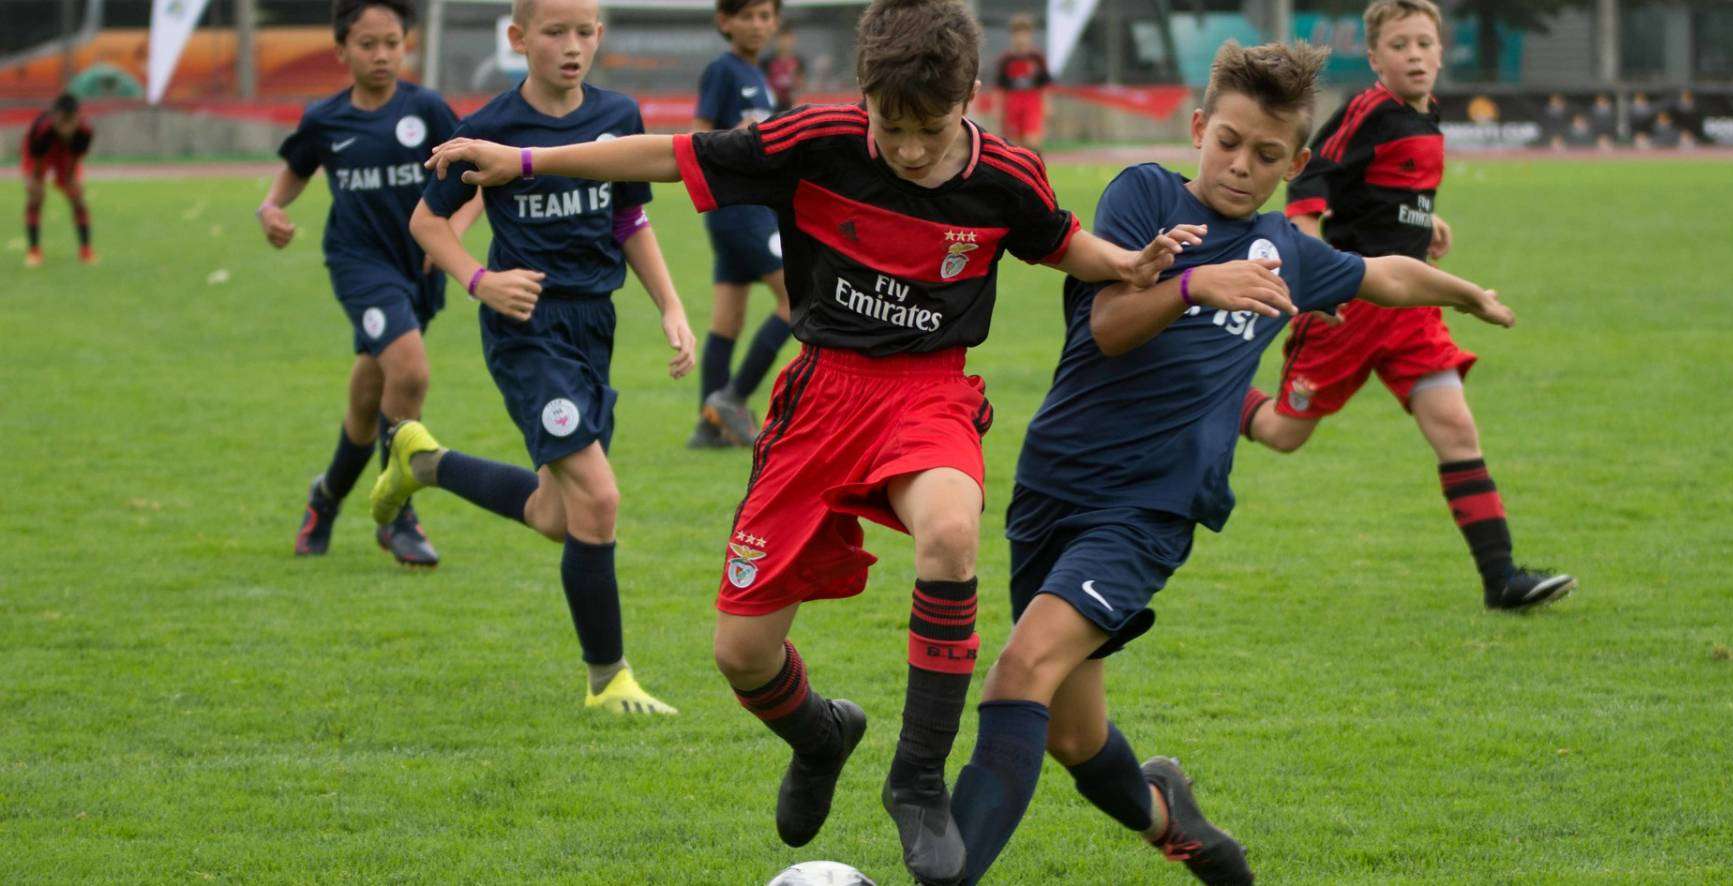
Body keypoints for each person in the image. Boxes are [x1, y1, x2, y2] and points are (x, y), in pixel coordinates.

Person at [422, 0, 1197, 879]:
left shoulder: (1008, 175)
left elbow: (1059, 242)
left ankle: (915, 779)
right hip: (820, 398)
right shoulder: (815, 139)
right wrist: (524, 158)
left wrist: (1129, 265)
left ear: (970, 97)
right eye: (889, 123)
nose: (907, 149)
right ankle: (822, 736)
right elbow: (666, 158)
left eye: (929, 129)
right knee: (741, 655)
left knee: (950, 530)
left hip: (927, 391)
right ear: (862, 92)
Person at [948, 40, 1516, 885]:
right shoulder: (1145, 195)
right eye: (1229, 143)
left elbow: (1380, 275)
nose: (1242, 167)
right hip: (1052, 489)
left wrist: (1461, 290)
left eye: (1267, 155)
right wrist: (1192, 286)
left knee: (1018, 675)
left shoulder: (1288, 252)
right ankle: (1173, 823)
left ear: (1296, 165)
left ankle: (940, 877)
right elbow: (1103, 328)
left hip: (1149, 512)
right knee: (1071, 735)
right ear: (1199, 126)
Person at [380, 0, 699, 715]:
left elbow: (628, 220)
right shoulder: (491, 129)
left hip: (594, 328)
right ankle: (608, 677)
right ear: (519, 38)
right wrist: (480, 281)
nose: (572, 46)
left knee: (559, 515)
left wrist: (671, 306)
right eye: (555, 32)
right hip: (528, 332)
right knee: (601, 498)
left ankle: (421, 462)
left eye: (585, 32)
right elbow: (427, 221)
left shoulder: (618, 112)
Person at [1244, 0, 1576, 611]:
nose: (1415, 55)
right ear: (1375, 58)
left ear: (1442, 51)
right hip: (1353, 303)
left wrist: (1426, 221)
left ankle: (1501, 579)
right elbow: (1310, 185)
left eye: (1424, 43)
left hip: (1414, 305)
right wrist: (1316, 278)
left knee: (1455, 426)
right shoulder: (1367, 112)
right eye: (1400, 46)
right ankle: (1214, 388)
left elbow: (1386, 191)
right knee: (1283, 434)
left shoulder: (1427, 116)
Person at [263, 0, 476, 567]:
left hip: (420, 267)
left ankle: (326, 497)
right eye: (367, 44)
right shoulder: (326, 118)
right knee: (410, 370)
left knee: (368, 401)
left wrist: (449, 235)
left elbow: (472, 180)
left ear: (407, 43)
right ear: (342, 50)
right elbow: (297, 168)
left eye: (392, 42)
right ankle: (398, 514)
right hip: (360, 266)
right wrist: (271, 207)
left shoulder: (427, 108)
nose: (382, 55)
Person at [690, 0, 797, 448]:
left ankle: (708, 428)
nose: (758, 25)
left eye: (765, 16)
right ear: (724, 22)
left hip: (748, 209)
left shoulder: (759, 75)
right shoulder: (724, 70)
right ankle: (733, 399)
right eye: (747, 16)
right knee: (798, 299)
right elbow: (699, 136)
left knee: (727, 320)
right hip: (739, 211)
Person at [21, 93, 95, 268]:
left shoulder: (85, 132)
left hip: (65, 155)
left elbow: (75, 160)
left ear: (78, 117)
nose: (66, 128)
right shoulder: (41, 129)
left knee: (77, 198)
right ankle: (34, 251)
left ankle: (86, 250)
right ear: (54, 116)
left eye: (71, 122)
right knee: (36, 196)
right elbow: (37, 162)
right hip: (39, 156)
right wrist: (36, 182)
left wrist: (70, 181)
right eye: (62, 122)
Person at [994, 14, 1050, 153]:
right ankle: (1019, 173)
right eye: (1017, 34)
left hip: (1032, 101)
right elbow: (1000, 87)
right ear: (1012, 36)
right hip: (1013, 102)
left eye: (1024, 34)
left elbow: (1044, 85)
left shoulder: (1037, 58)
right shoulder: (1006, 59)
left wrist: (1047, 105)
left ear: (1030, 36)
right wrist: (998, 109)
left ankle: (1038, 170)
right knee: (1014, 145)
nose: (1021, 39)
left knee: (1031, 141)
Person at [762, 23, 807, 113]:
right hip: (772, 107)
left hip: (792, 106)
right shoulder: (767, 62)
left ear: (793, 40)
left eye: (787, 38)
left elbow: (802, 85)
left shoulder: (798, 62)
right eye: (781, 38)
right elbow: (763, 84)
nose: (784, 42)